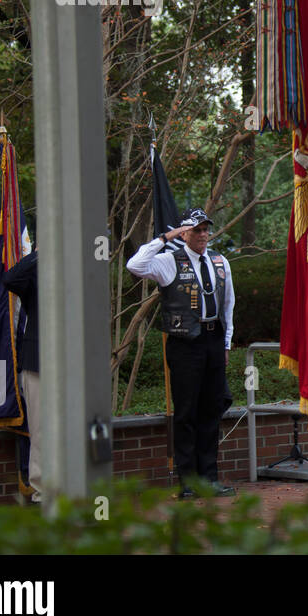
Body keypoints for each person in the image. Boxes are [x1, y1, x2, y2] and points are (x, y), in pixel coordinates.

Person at [126, 207, 236, 498]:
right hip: (185, 343)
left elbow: (229, 306)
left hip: (213, 341)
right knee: (186, 413)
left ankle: (209, 479)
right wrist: (166, 236)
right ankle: (188, 482)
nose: (203, 235)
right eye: (196, 230)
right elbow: (135, 265)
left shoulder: (220, 260)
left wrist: (225, 344)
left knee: (211, 411)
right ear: (185, 233)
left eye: (205, 229)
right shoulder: (167, 261)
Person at [3, 250, 41, 503]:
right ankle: (44, 490)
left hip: (76, 363)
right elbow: (10, 280)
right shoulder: (35, 271)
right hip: (38, 360)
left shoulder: (81, 269)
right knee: (41, 429)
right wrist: (40, 253)